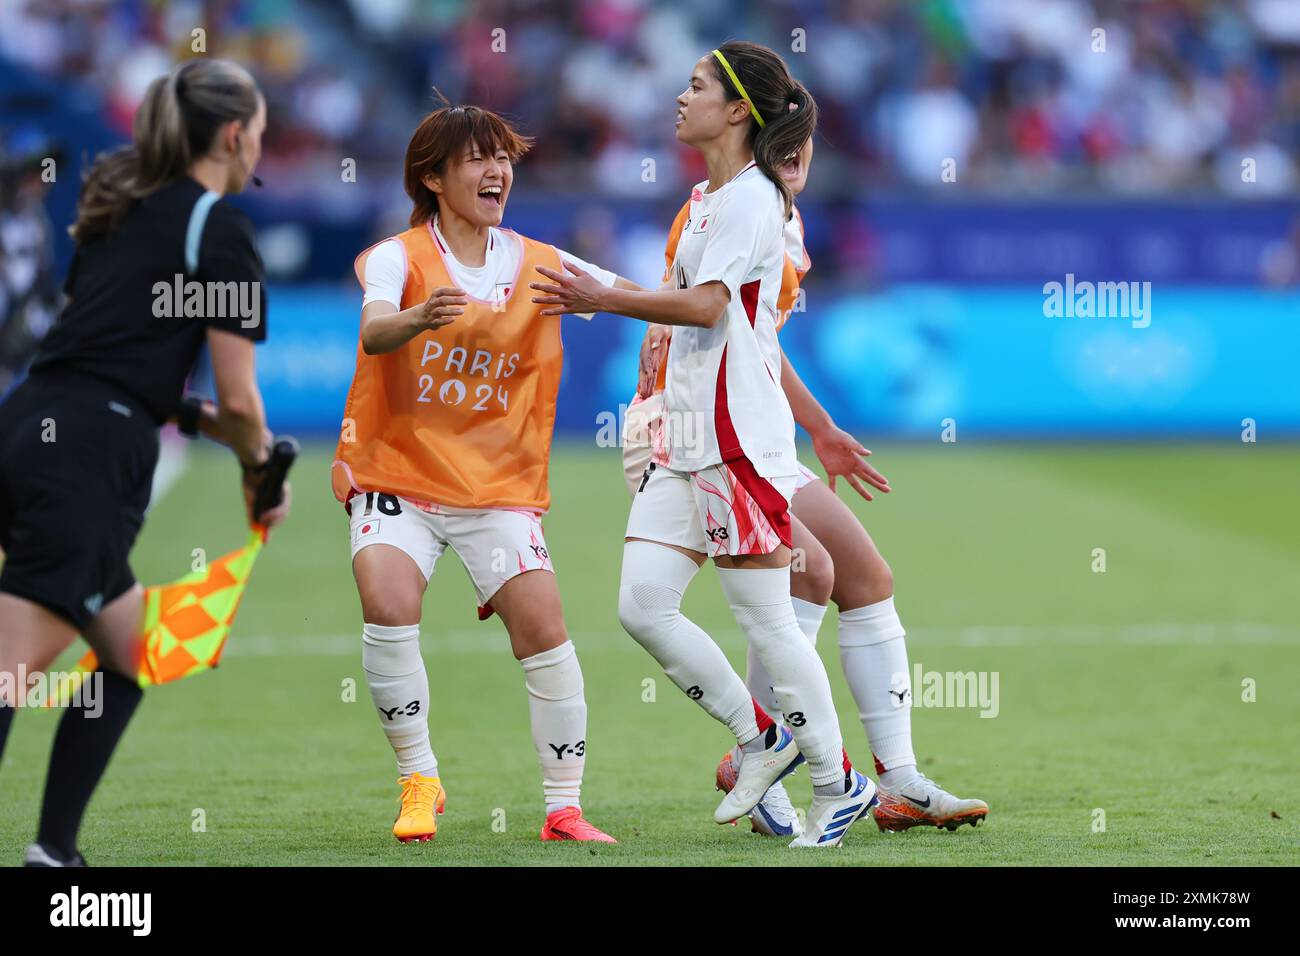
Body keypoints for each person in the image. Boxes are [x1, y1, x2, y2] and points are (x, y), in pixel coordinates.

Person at [530, 41, 874, 848]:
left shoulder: (754, 200)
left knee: (767, 620)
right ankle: (762, 740)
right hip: (684, 434)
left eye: (696, 88)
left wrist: (604, 295)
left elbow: (710, 308)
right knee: (642, 607)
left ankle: (839, 784)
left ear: (737, 112)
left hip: (734, 440)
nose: (679, 99)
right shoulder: (710, 198)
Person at [626, 131, 989, 837]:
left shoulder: (783, 218)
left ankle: (895, 780)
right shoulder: (722, 208)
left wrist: (819, 427)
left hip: (755, 427)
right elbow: (694, 320)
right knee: (806, 573)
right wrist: (652, 410)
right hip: (705, 432)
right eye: (783, 141)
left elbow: (758, 339)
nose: (798, 155)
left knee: (865, 577)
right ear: (751, 136)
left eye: (808, 143)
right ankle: (770, 752)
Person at [0, 58, 289, 866]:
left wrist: (234, 445)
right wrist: (259, 472)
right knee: (8, 671)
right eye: (260, 132)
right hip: (90, 456)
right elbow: (238, 405)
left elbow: (135, 372)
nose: (262, 146)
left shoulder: (118, 209)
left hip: (31, 426)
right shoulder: (222, 228)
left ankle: (55, 857)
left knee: (132, 653)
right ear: (234, 135)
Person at [332, 101, 626, 844]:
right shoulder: (400, 257)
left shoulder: (539, 263)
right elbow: (373, 330)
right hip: (397, 476)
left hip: (495, 489)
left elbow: (625, 297)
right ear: (434, 177)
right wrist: (418, 317)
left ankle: (563, 808)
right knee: (387, 600)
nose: (498, 170)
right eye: (478, 157)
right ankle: (419, 780)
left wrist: (684, 306)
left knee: (545, 631)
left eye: (504, 157)